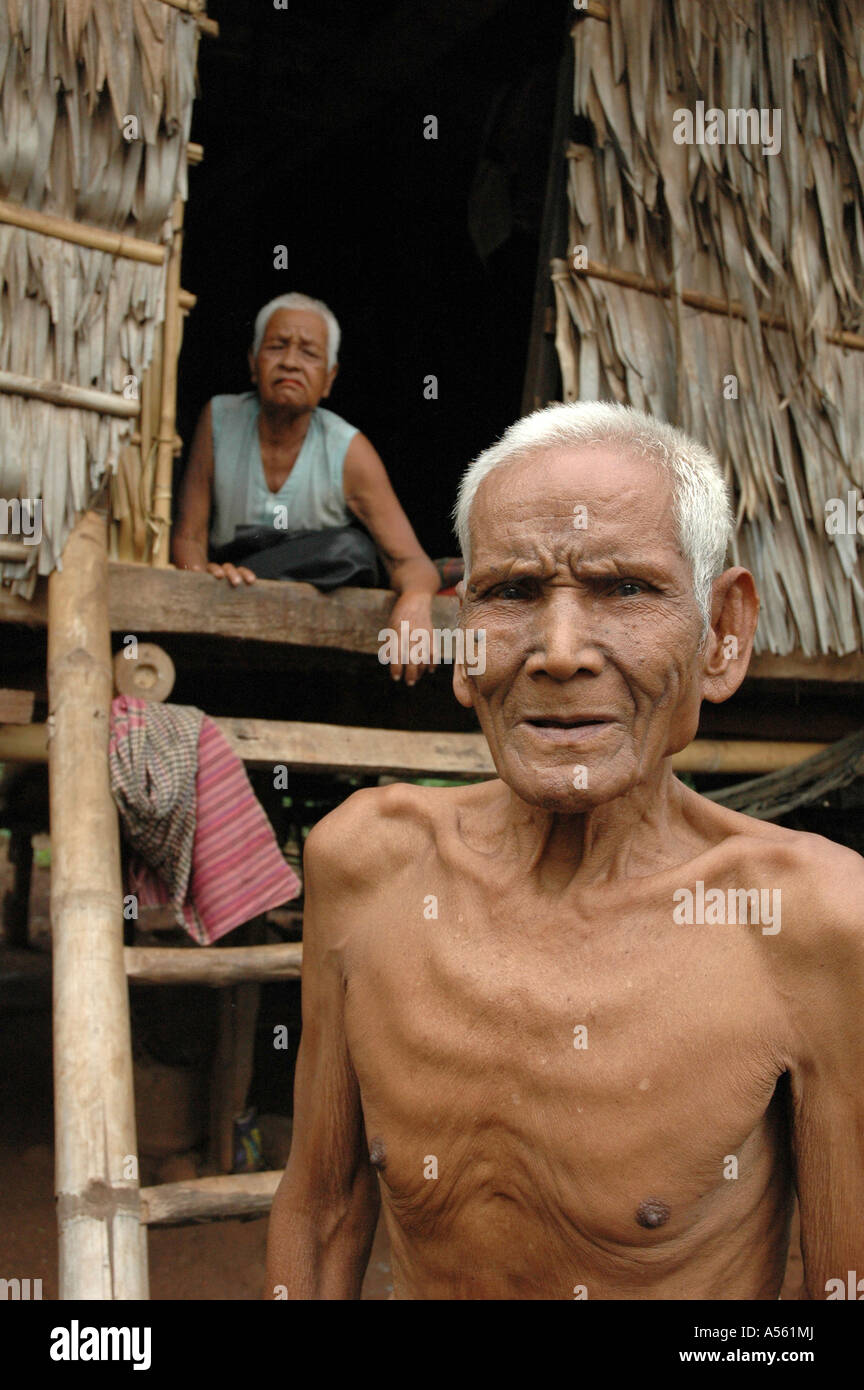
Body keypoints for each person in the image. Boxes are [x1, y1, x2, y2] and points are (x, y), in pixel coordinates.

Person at [265, 400, 864, 1300]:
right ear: (465, 644)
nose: (558, 651)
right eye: (512, 593)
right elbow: (322, 1211)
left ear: (723, 636)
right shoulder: (366, 864)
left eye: (625, 588)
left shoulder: (815, 921)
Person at [173, 292, 440, 684]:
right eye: (277, 346)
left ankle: (253, 573)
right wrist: (201, 577)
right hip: (231, 575)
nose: (291, 362)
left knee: (353, 551)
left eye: (309, 353)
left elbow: (412, 562)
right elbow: (188, 535)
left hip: (312, 578)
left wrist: (416, 600)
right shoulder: (219, 420)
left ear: (329, 379)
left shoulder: (350, 451)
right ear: (253, 363)